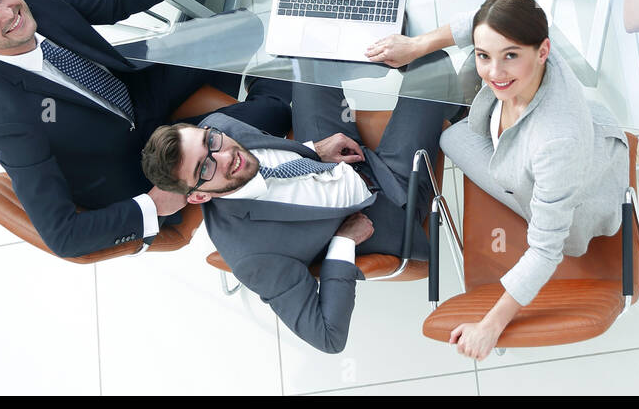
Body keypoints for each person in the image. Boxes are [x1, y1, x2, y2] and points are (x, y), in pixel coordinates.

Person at [0, 0, 292, 258]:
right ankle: (289, 104)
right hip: (136, 160)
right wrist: (151, 204)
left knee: (244, 27)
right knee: (272, 114)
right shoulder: (5, 123)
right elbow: (63, 236)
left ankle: (254, 83)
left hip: (134, 88)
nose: (8, 12)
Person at [366, 0, 629, 360]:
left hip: (572, 211)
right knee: (453, 131)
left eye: (510, 56)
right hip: (574, 141)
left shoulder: (555, 141)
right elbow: (480, 20)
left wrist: (491, 325)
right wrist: (417, 45)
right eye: (483, 55)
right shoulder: (530, 29)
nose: (494, 72)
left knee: (453, 135)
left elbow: (546, 250)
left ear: (543, 51)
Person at [140, 75, 455, 353]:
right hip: (387, 199)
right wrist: (342, 244)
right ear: (197, 196)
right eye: (205, 167)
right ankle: (457, 114)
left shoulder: (220, 127)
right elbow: (328, 337)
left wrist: (313, 150)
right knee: (433, 65)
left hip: (334, 158)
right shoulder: (254, 258)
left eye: (210, 142)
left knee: (308, 59)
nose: (226, 156)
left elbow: (270, 158)